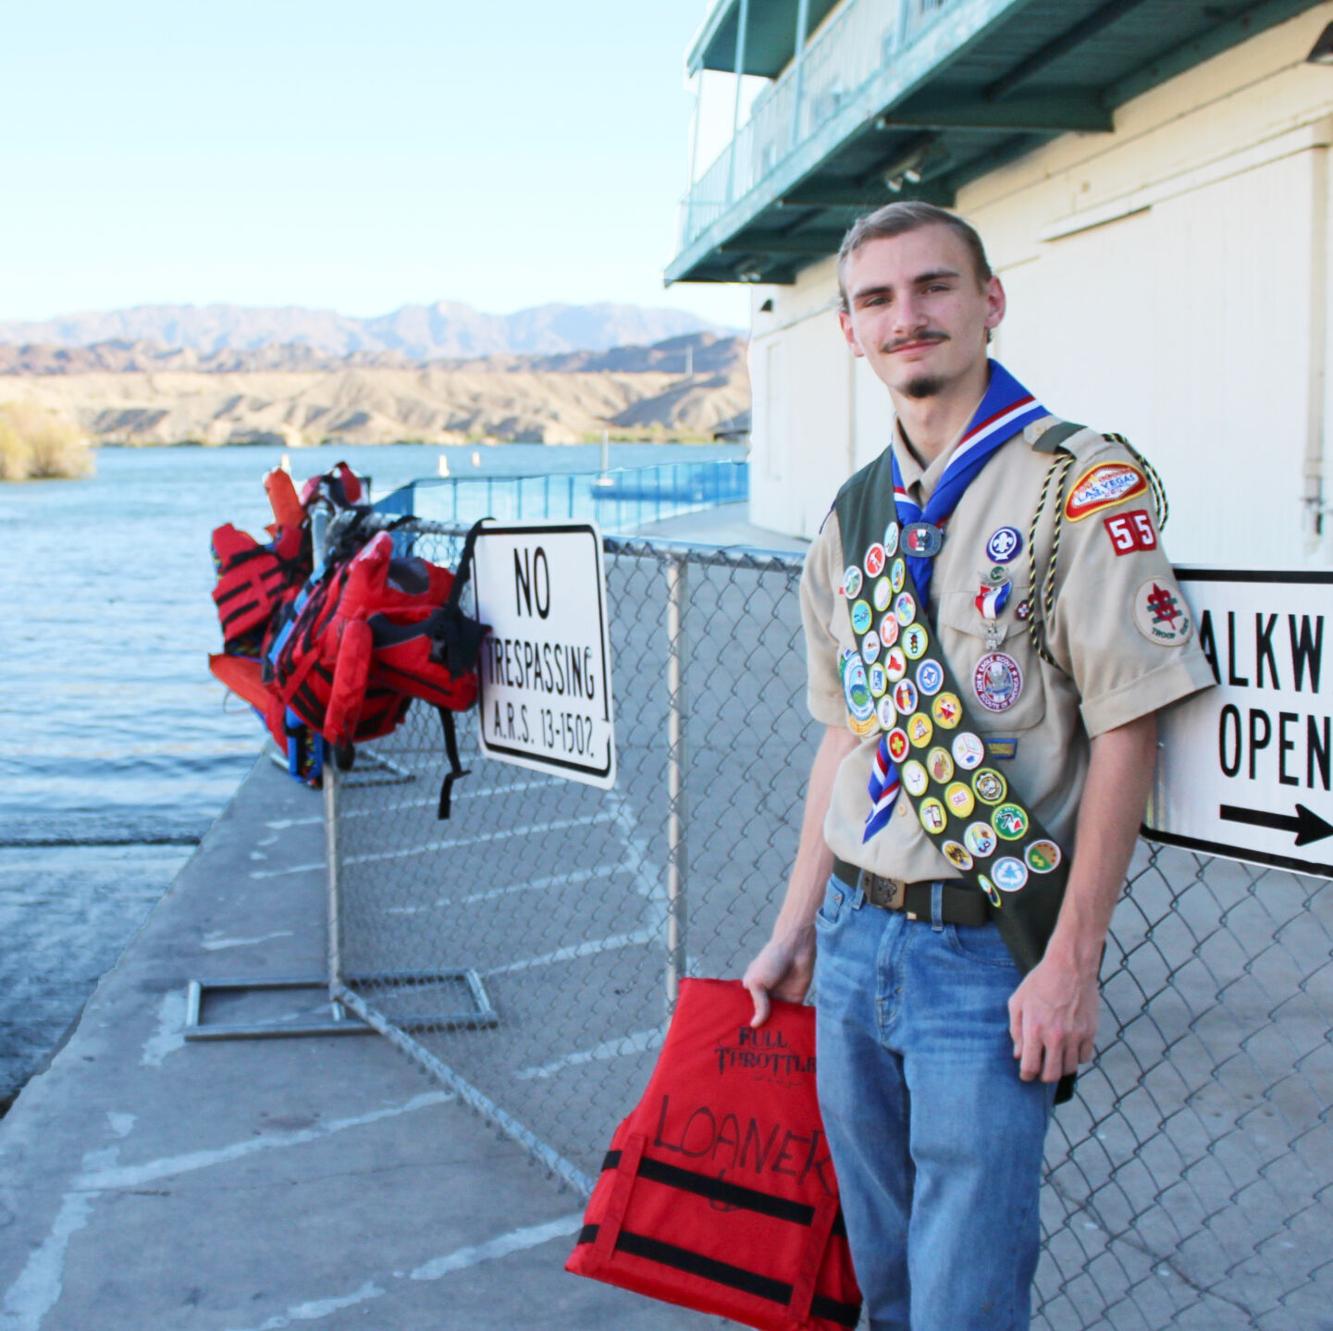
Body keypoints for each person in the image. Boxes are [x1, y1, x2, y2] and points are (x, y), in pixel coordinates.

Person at [741, 201, 1215, 1331]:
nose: (907, 317)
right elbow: (847, 738)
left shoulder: (1075, 483)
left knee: (965, 1301)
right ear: (851, 332)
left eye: (933, 287)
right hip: (854, 942)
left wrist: (1069, 962)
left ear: (988, 302)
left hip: (982, 957)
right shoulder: (851, 517)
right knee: (887, 1284)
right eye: (875, 299)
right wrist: (793, 925)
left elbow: (1127, 729)